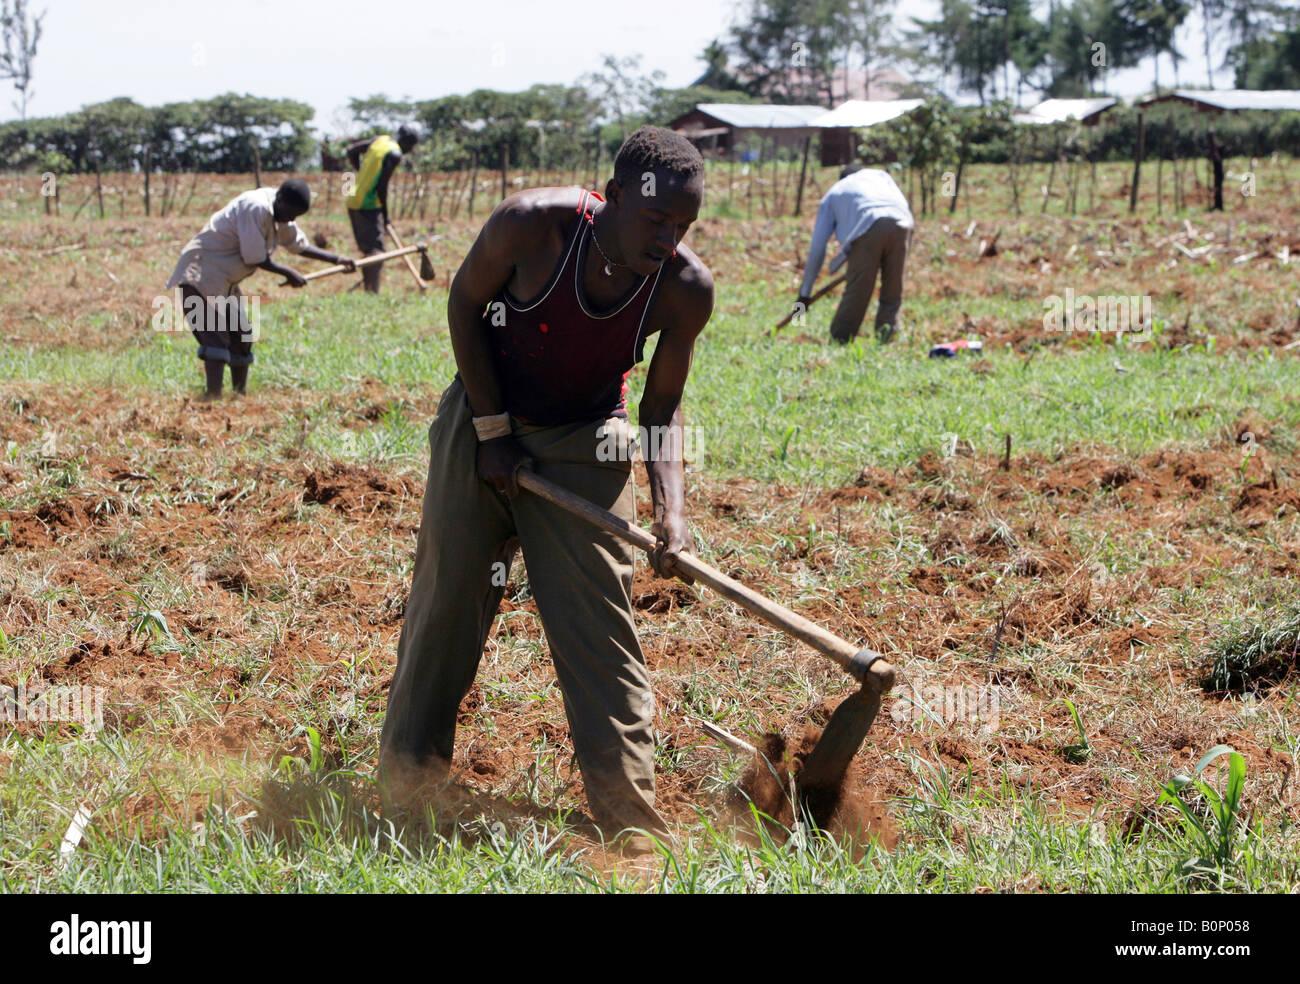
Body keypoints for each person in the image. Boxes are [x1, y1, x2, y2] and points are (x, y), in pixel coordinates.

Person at [379, 126, 714, 853]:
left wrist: (673, 514)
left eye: (682, 225)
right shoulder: (531, 227)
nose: (667, 238)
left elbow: (659, 409)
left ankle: (633, 837)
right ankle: (404, 788)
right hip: (482, 418)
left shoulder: (684, 289)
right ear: (613, 197)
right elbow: (465, 307)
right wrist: (494, 433)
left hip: (585, 440)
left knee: (600, 637)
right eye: (655, 220)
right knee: (444, 605)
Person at [165, 179, 353, 398]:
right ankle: (212, 401)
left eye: (297, 216)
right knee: (215, 337)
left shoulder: (281, 210)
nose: (292, 220)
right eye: (292, 214)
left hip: (225, 281)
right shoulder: (255, 207)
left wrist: (336, 259)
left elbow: (296, 244)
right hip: (201, 272)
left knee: (242, 335)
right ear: (281, 200)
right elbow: (254, 257)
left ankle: (238, 396)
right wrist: (288, 272)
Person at [796, 162, 914, 344]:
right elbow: (902, 206)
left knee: (858, 291)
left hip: (869, 226)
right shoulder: (881, 177)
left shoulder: (834, 193)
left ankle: (839, 341)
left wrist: (804, 294)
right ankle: (888, 339)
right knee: (893, 291)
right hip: (903, 224)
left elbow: (817, 248)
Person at [345, 124, 420, 293]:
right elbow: (381, 187)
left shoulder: (379, 141)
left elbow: (352, 150)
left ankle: (369, 287)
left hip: (354, 200)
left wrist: (361, 172)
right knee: (376, 251)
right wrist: (385, 215)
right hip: (369, 204)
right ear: (408, 143)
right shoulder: (394, 154)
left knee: (369, 249)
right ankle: (372, 293)